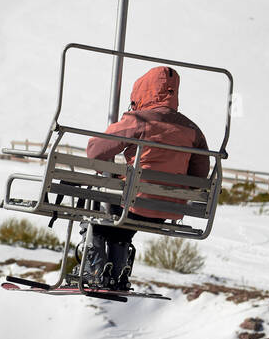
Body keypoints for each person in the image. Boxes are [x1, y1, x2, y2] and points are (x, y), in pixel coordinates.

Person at [80, 65, 210, 291]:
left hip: (134, 204)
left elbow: (95, 151)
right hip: (168, 209)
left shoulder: (139, 119)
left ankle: (97, 269)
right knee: (127, 210)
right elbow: (199, 175)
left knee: (98, 202)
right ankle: (118, 271)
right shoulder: (193, 130)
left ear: (143, 92)